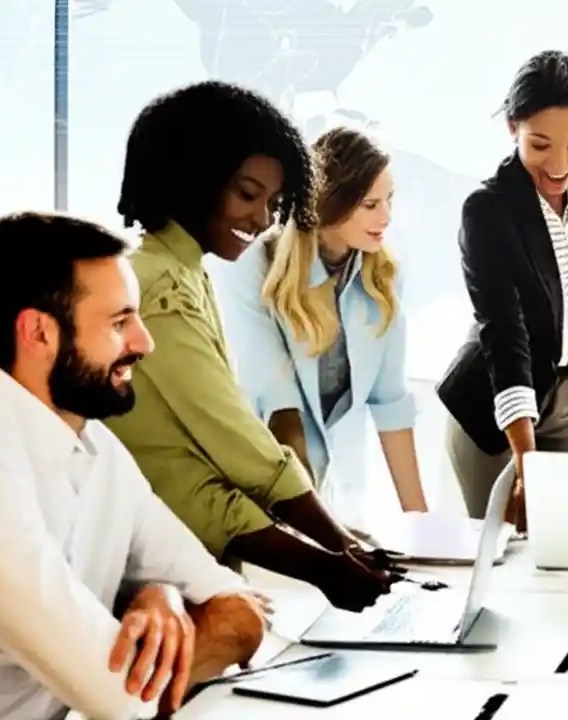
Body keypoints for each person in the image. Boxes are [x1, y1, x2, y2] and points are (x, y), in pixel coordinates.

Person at [0, 213, 266, 720]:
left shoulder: (96, 445)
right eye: (120, 322)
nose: (144, 342)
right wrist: (158, 618)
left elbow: (245, 615)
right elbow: (117, 696)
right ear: (39, 333)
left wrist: (163, 598)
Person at [104, 81, 400, 612]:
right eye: (247, 194)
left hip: (184, 564)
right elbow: (236, 445)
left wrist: (338, 553)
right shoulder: (160, 289)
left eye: (274, 203)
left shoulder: (186, 273)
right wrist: (333, 554)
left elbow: (202, 467)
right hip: (150, 586)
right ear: (195, 177)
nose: (263, 220)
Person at [437, 50, 568, 524]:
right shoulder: (487, 210)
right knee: (502, 557)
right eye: (540, 144)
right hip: (496, 414)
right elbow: (504, 335)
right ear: (512, 128)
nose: (560, 164)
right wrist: (526, 467)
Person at [213, 126, 426, 528]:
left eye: (389, 200)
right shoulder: (253, 266)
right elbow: (280, 407)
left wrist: (423, 527)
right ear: (331, 203)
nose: (386, 217)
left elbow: (390, 403)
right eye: (370, 204)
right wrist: (317, 530)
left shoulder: (384, 275)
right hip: (262, 488)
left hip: (337, 495)